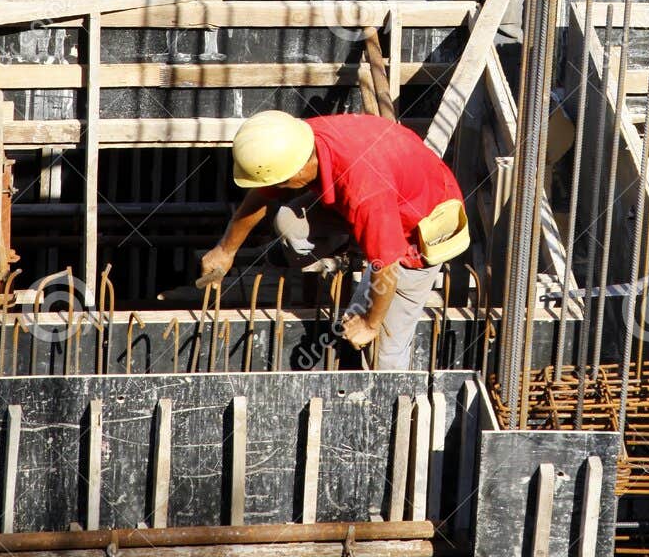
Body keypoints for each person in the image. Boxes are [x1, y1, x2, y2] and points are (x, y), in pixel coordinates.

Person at [197, 109, 469, 370]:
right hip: (385, 193)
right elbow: (261, 193)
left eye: (281, 183)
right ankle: (354, 242)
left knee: (382, 352)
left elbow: (387, 265)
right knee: (290, 224)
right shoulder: (298, 140)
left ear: (297, 172)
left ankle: (392, 393)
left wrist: (369, 323)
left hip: (420, 230)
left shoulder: (365, 190)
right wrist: (225, 249)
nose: (277, 188)